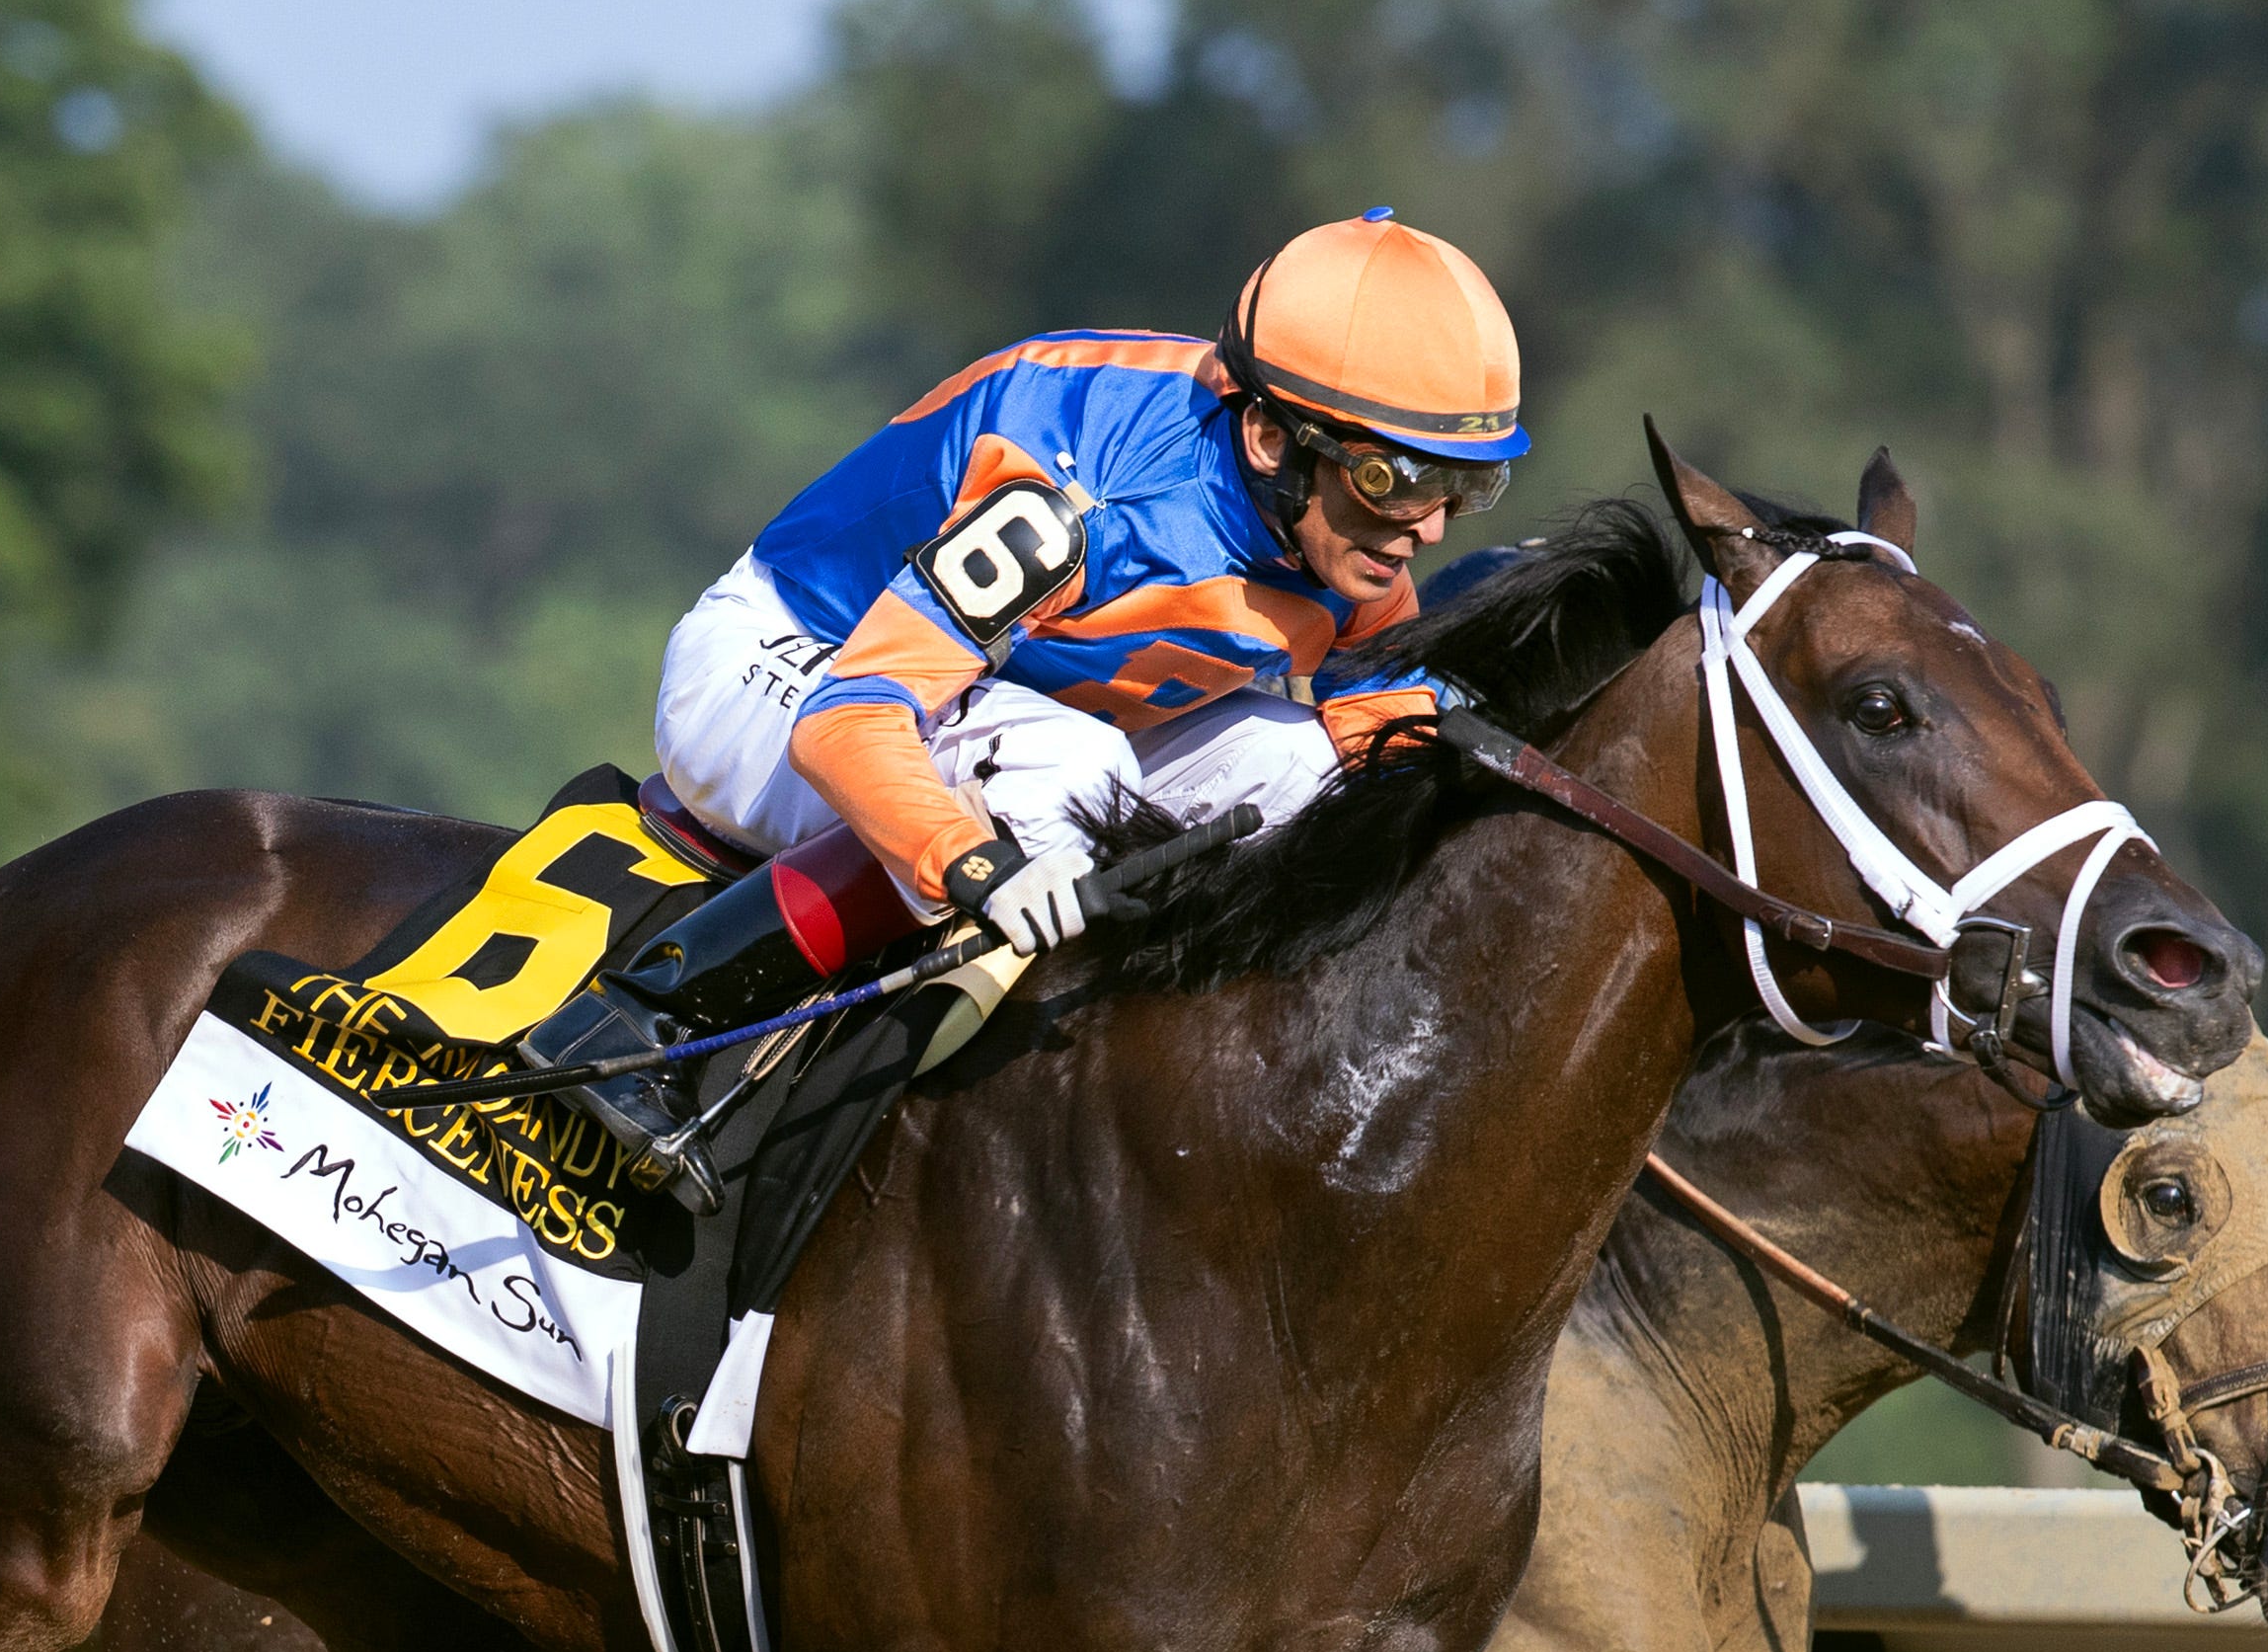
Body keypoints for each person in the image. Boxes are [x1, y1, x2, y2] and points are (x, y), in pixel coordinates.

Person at [523, 210, 1528, 1166]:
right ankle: (638, 1015)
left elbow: (1384, 742)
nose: (1428, 530)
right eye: (1392, 480)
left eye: (1462, 486)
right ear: (1271, 439)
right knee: (1069, 777)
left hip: (1006, 706)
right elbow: (850, 722)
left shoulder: (1345, 538)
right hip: (792, 666)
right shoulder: (1077, 502)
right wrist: (969, 863)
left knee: (1302, 769)